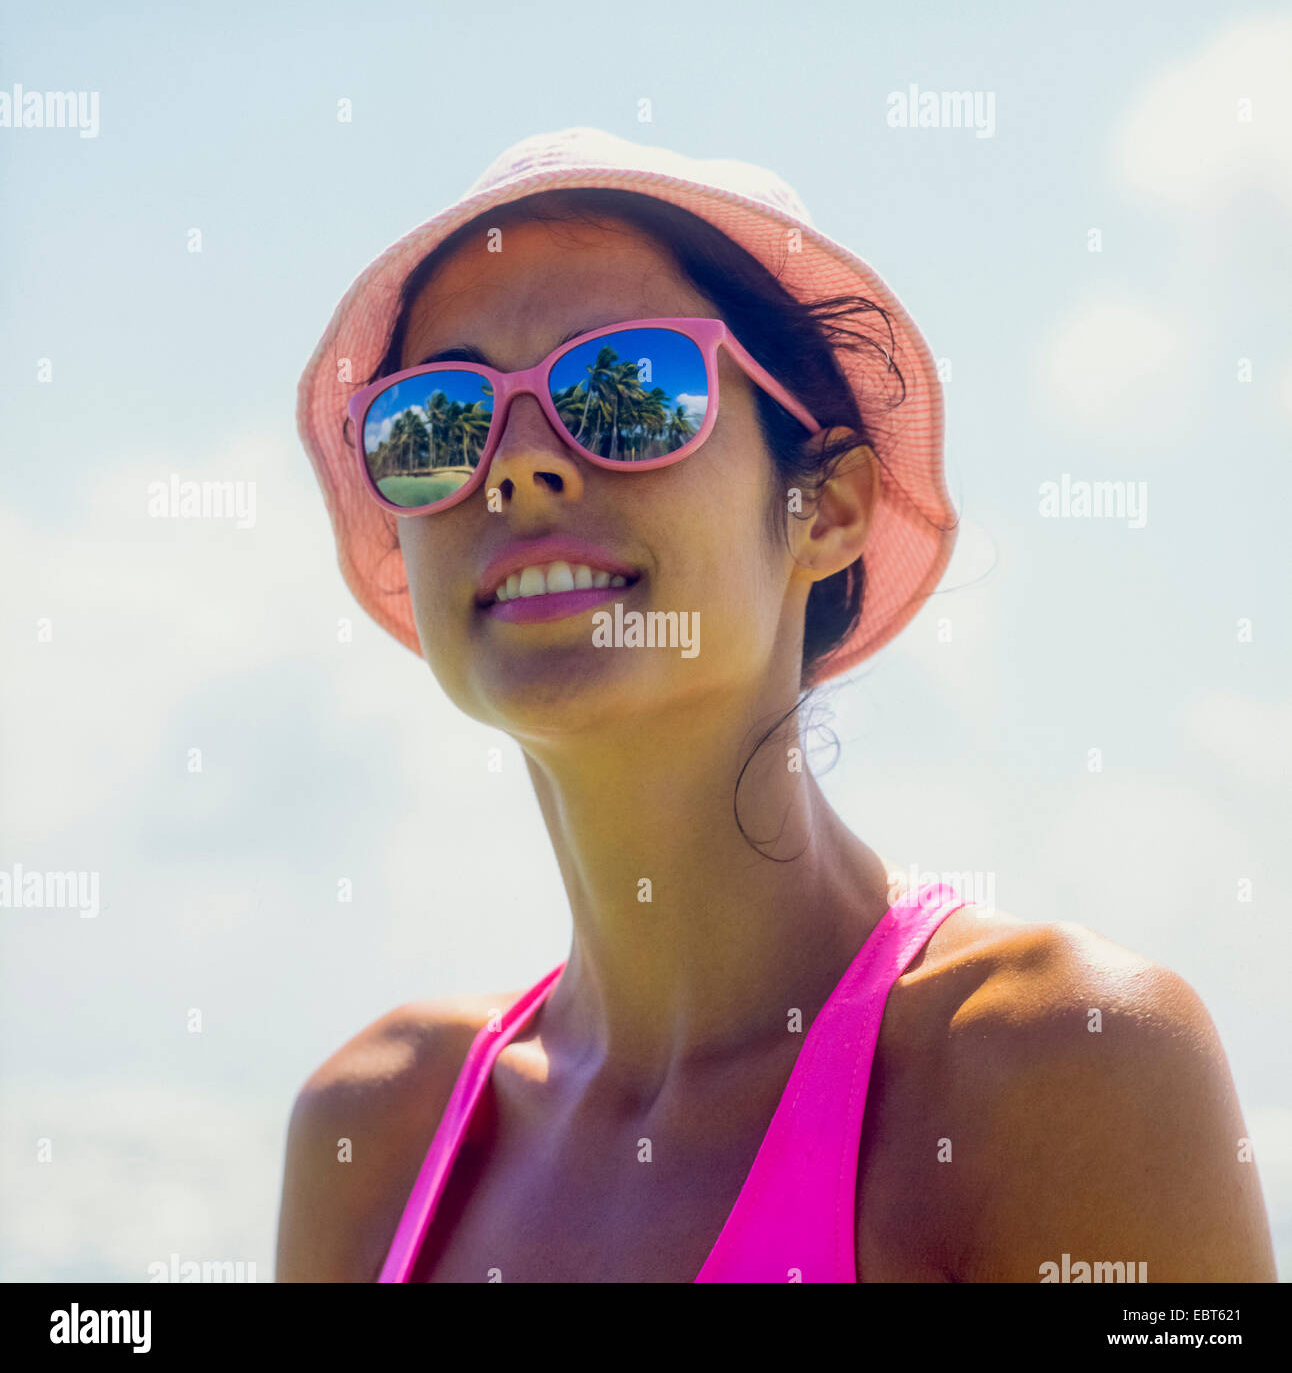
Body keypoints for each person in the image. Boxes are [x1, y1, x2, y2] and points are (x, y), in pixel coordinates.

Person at [276, 128, 1276, 1282]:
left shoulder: (1060, 1064)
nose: (517, 465)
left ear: (829, 507)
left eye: (631, 391)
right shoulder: (369, 1135)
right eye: (438, 421)